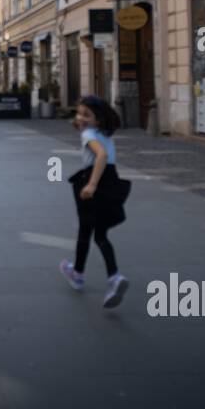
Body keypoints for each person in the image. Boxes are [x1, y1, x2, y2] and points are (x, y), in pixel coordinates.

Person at [59, 94, 130, 309]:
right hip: (111, 180)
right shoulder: (104, 133)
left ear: (98, 119)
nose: (81, 117)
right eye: (79, 113)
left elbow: (99, 156)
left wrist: (91, 185)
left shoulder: (89, 133)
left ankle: (78, 274)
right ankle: (113, 276)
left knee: (84, 230)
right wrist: (81, 123)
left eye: (86, 115)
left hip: (94, 180)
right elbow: (106, 155)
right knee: (99, 234)